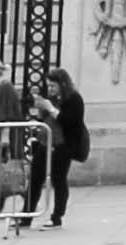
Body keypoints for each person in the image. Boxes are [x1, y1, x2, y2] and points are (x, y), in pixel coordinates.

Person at [26, 64, 88, 231]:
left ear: (63, 84)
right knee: (35, 177)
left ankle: (57, 217)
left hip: (64, 144)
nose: (50, 89)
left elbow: (67, 121)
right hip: (46, 141)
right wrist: (40, 110)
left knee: (58, 179)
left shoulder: (74, 99)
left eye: (53, 85)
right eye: (49, 86)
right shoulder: (52, 99)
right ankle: (26, 214)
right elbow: (45, 119)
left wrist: (50, 108)